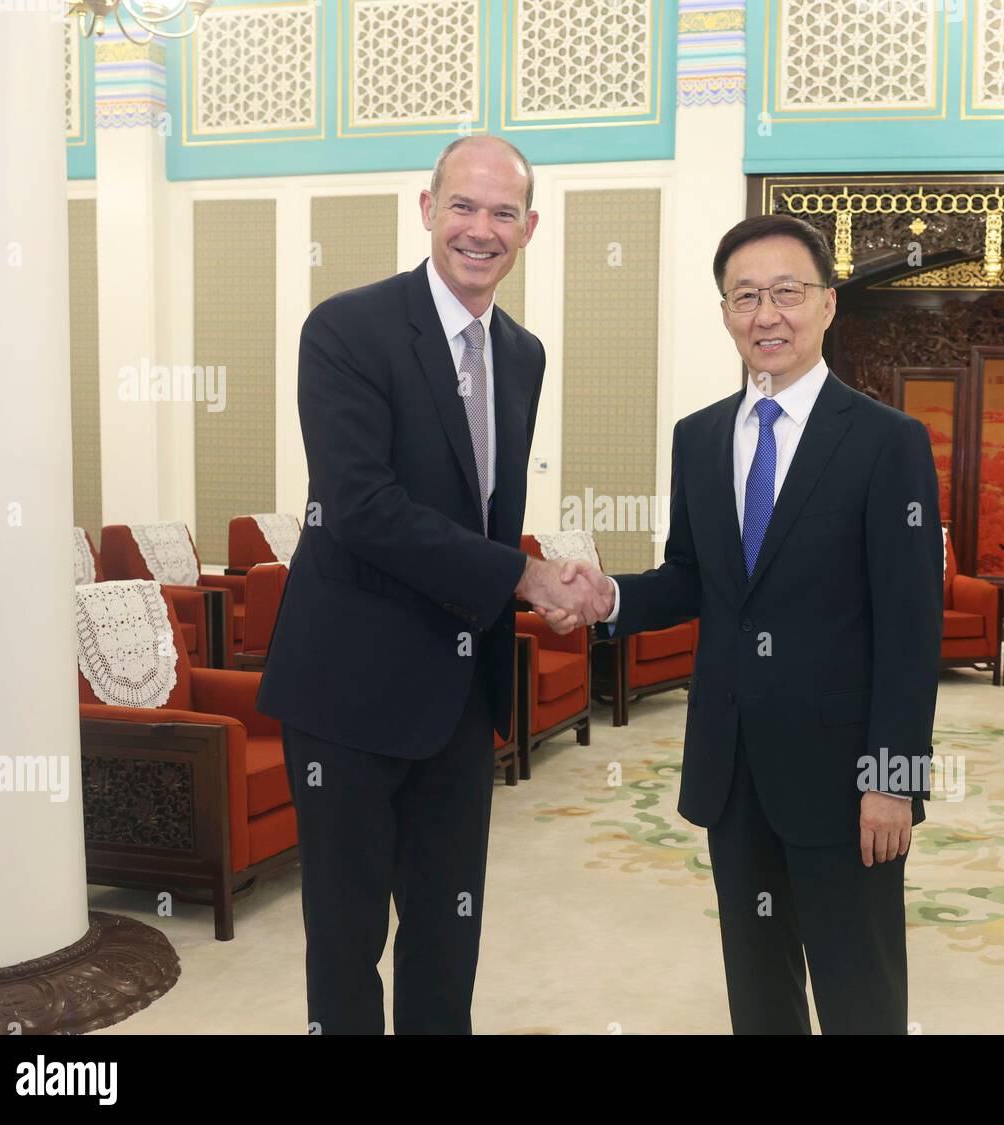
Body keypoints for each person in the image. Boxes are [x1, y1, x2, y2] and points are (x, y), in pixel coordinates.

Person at [552, 213, 944, 1034]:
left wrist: (894, 778)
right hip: (733, 774)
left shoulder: (887, 442)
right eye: (745, 296)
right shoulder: (699, 439)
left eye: (787, 293)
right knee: (758, 994)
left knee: (860, 991)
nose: (767, 314)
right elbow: (695, 578)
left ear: (829, 305)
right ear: (726, 312)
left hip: (847, 783)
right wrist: (609, 599)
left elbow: (912, 631)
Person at [256, 135, 602, 1035]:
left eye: (501, 213)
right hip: (349, 692)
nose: (479, 230)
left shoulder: (522, 353)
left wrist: (533, 584)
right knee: (346, 936)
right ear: (425, 207)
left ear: (529, 228)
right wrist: (523, 575)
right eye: (462, 206)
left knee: (449, 929)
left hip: (460, 692)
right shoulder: (346, 328)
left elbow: (482, 515)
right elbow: (363, 507)